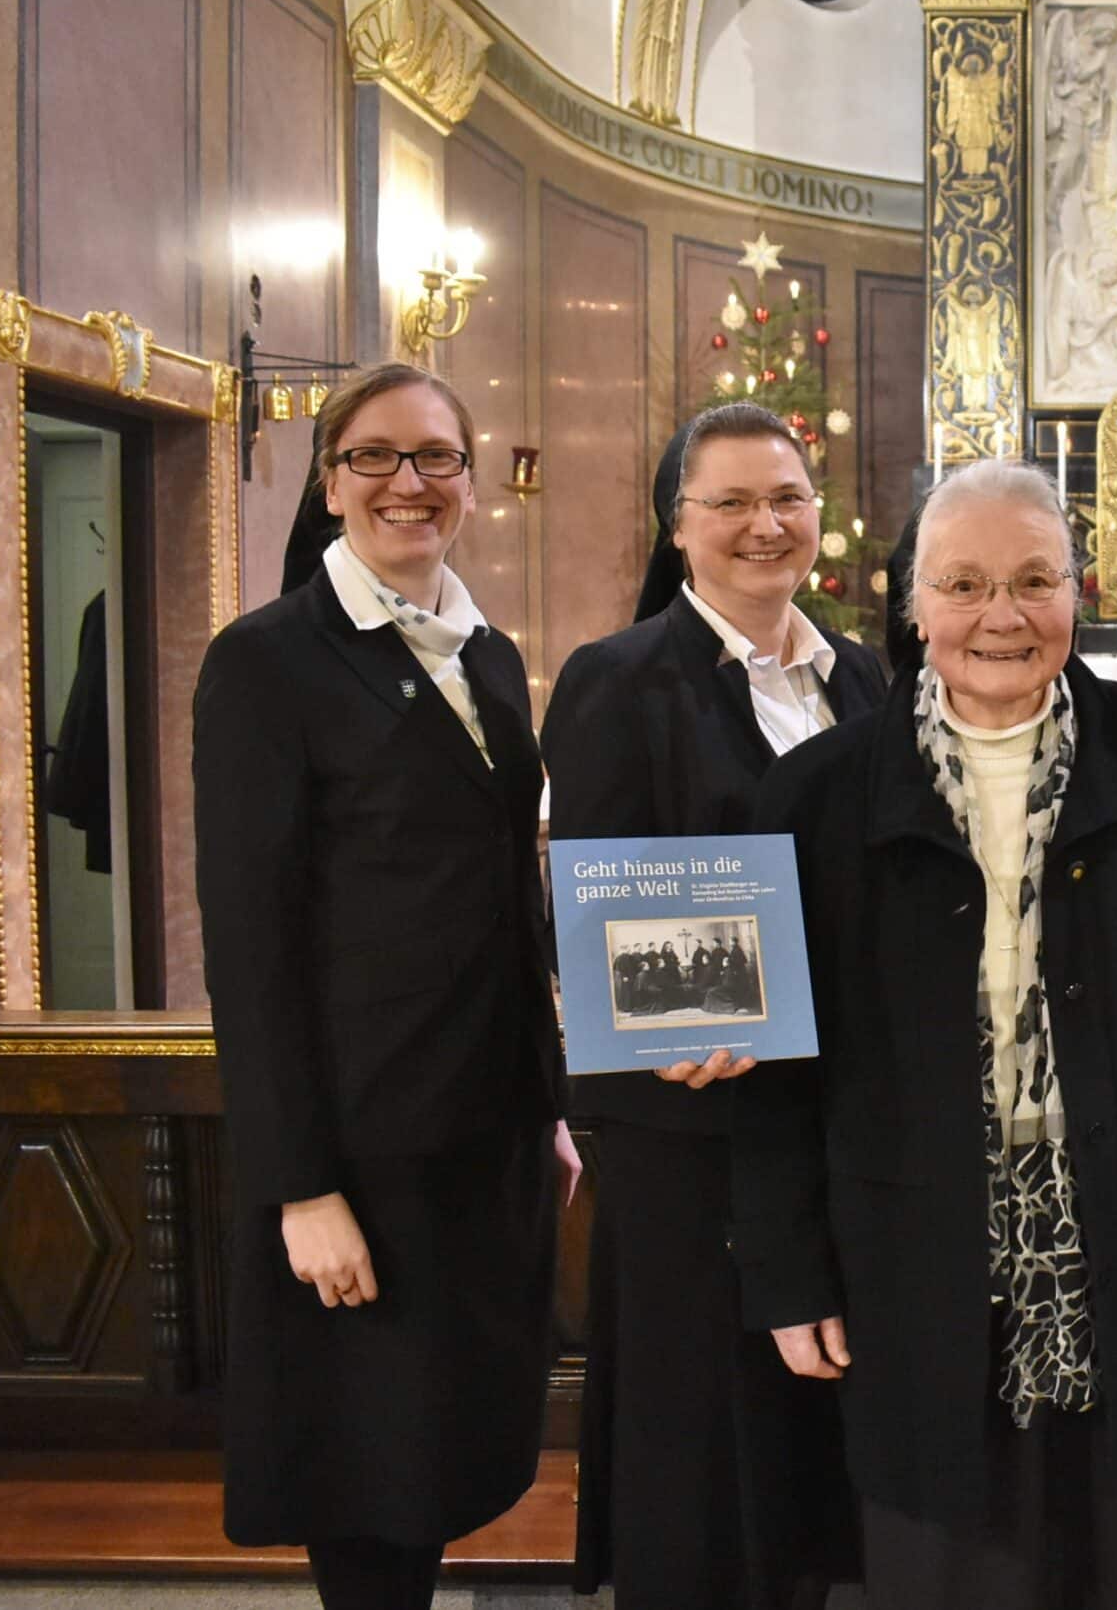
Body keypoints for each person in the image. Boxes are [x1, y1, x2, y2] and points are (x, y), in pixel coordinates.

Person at [732, 460, 1117, 1610]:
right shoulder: (816, 794)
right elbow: (777, 1072)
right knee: (947, 1555)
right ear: (913, 605)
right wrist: (791, 1269)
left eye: (1036, 580)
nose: (1003, 615)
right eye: (965, 583)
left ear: (1077, 592)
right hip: (909, 1225)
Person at [194, 363, 570, 1610]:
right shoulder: (268, 661)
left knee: (446, 1457)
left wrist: (549, 1098)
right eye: (375, 457)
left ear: (472, 478)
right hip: (357, 1149)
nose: (408, 484)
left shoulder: (495, 656)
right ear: (330, 479)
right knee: (367, 1482)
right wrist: (301, 1185)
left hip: (483, 1134)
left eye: (436, 458)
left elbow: (511, 902)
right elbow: (249, 947)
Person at [543, 403, 886, 1610]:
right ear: (677, 526)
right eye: (729, 502)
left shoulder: (863, 671)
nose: (763, 524)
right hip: (691, 1118)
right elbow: (596, 886)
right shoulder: (617, 678)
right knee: (704, 1429)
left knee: (819, 1421)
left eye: (786, 497)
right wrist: (678, 1027)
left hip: (835, 1109)